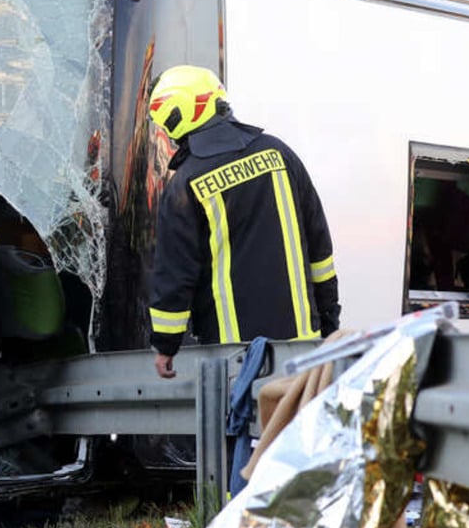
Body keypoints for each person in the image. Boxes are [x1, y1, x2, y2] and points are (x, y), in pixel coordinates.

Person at [146, 65, 340, 378]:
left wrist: (165, 345)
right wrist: (329, 320)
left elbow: (175, 273)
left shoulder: (185, 184)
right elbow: (320, 251)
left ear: (176, 116)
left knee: (242, 428)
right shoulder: (280, 153)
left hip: (235, 360)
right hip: (303, 352)